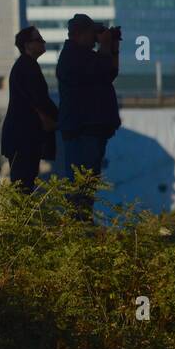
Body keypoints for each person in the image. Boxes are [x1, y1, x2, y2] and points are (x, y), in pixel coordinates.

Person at [56, 12, 121, 220]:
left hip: (91, 127)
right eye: (93, 34)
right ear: (81, 34)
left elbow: (110, 73)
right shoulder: (72, 56)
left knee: (89, 179)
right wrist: (105, 45)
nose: (96, 38)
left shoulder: (84, 55)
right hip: (82, 129)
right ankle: (78, 221)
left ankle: (82, 219)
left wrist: (113, 47)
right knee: (81, 180)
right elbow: (103, 68)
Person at [1, 26, 58, 192]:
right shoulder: (27, 67)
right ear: (28, 45)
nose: (43, 42)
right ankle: (21, 218)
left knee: (23, 185)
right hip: (23, 139)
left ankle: (22, 217)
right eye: (38, 40)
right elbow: (38, 99)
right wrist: (55, 118)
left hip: (21, 138)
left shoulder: (26, 65)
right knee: (23, 187)